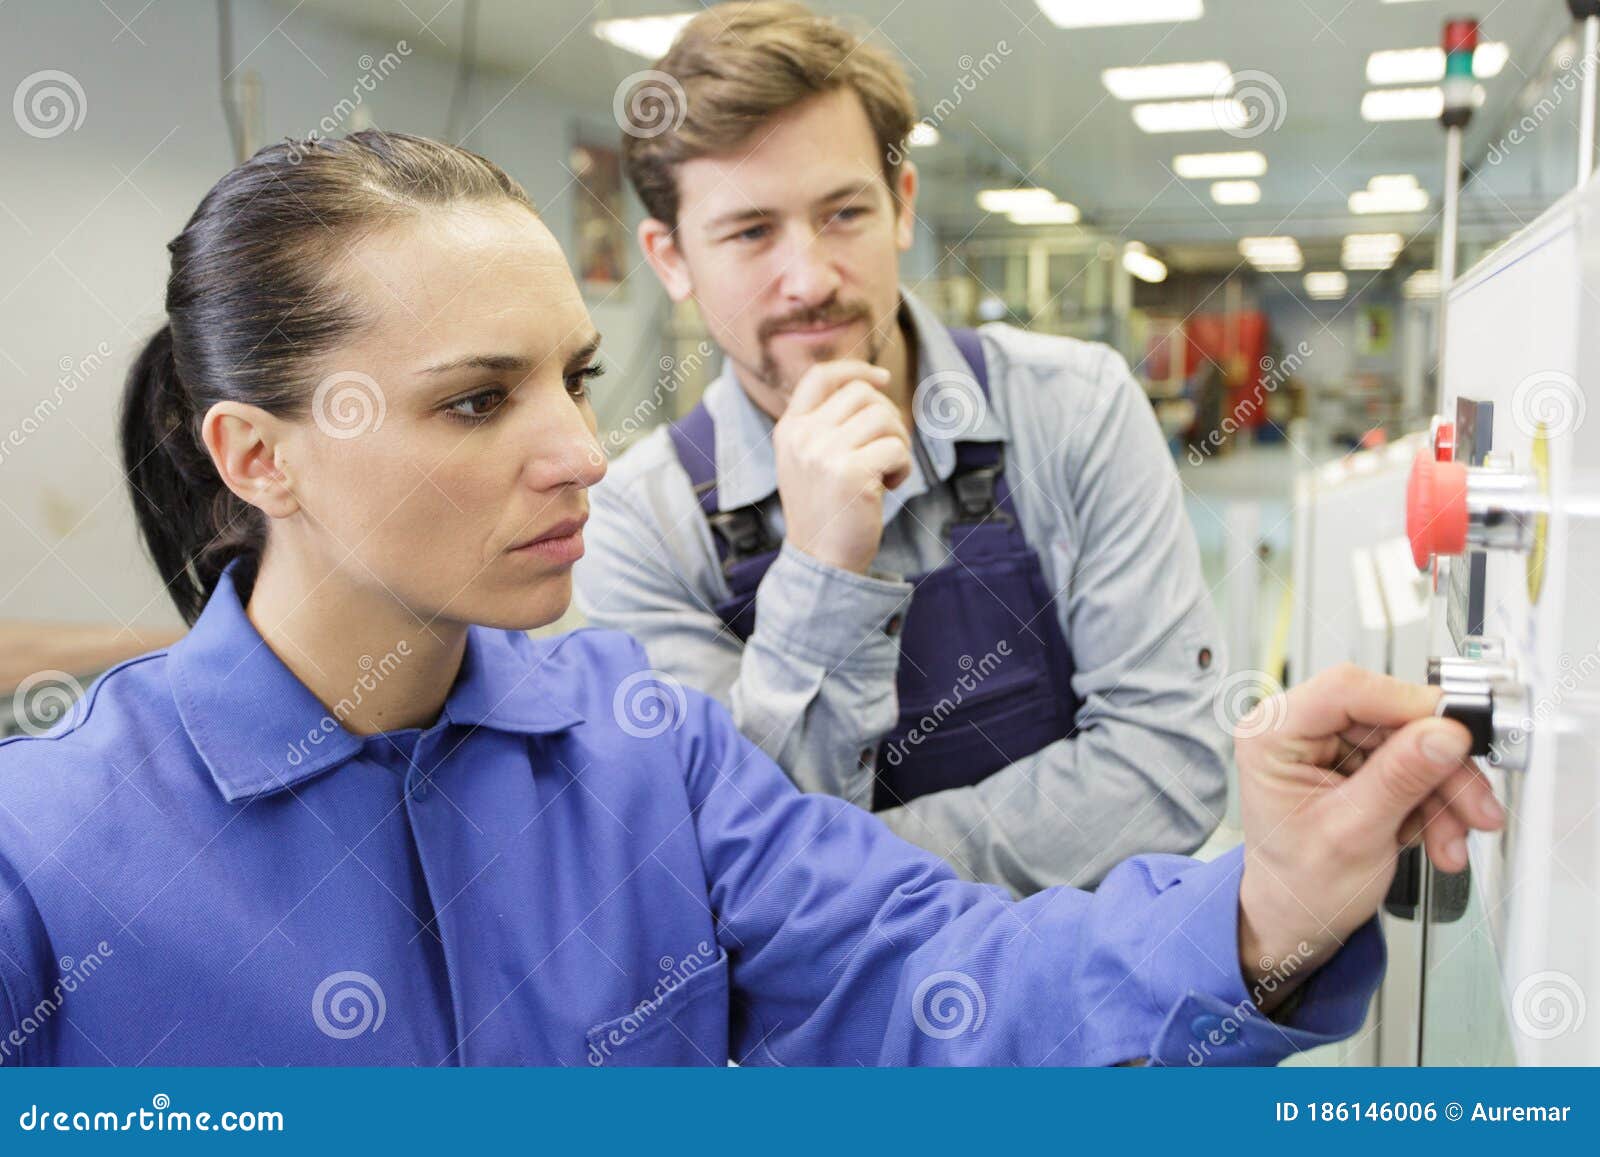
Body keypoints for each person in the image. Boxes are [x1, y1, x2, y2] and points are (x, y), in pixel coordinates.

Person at [0, 131, 1500, 1067]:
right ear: (259, 454)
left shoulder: (649, 753)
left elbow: (943, 975)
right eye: (476, 403)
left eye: (575, 381)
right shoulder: (46, 857)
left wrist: (1268, 907)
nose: (582, 453)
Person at [574, 1, 1229, 893]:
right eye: (750, 231)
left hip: (1082, 1015)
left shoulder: (1073, 408)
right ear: (671, 257)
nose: (809, 279)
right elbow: (711, 861)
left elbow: (1169, 767)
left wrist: (846, 878)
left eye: (844, 212)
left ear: (902, 205)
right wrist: (818, 571)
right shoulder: (635, 530)